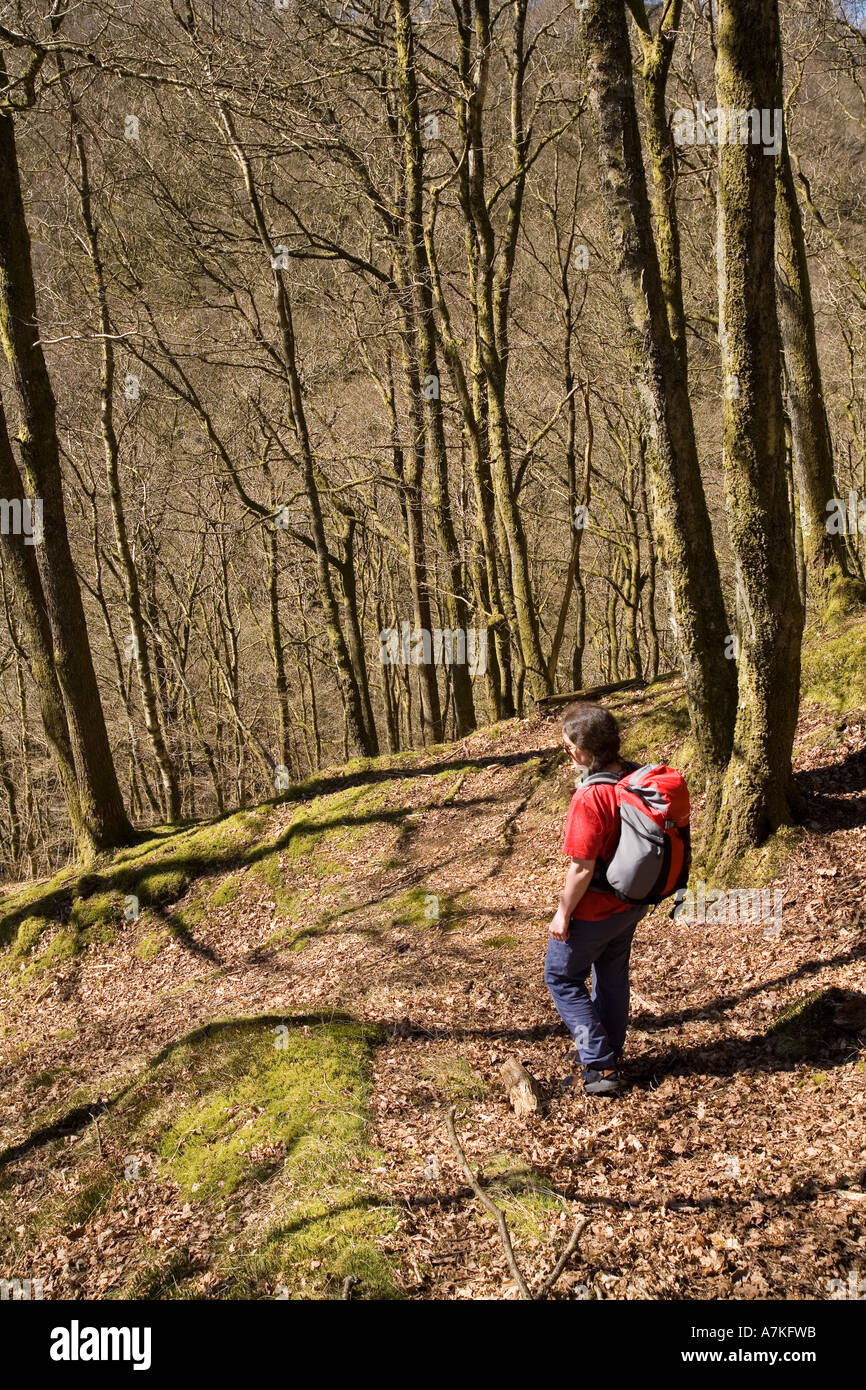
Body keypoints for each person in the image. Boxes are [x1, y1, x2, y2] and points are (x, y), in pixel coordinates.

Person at [544, 702, 647, 1097]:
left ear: (581, 750)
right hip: (631, 903)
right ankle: (609, 1054)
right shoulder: (635, 776)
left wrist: (562, 913)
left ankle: (601, 1065)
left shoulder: (591, 798)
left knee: (561, 976)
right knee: (611, 977)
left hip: (596, 909)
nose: (567, 752)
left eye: (568, 745)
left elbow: (582, 869)